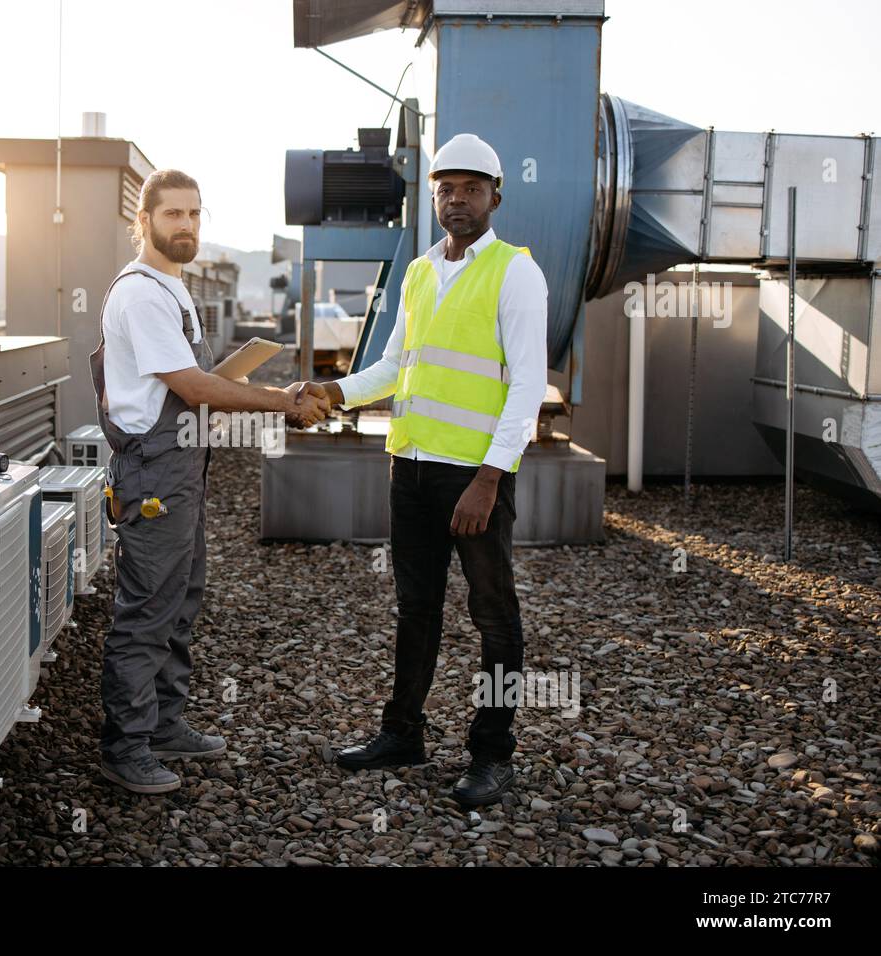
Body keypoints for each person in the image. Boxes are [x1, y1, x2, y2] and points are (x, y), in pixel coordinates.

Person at [302, 134, 548, 808]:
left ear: (495, 195)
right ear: (433, 195)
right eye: (447, 187)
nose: (458, 198)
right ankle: (402, 734)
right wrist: (333, 394)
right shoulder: (416, 272)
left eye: (472, 187)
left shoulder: (515, 272)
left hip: (472, 479)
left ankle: (493, 755)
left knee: (495, 619)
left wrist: (490, 478)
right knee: (417, 609)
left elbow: (528, 387)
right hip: (409, 471)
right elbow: (392, 368)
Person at [90, 168, 329, 794]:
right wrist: (282, 400)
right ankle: (126, 745)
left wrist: (236, 387)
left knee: (181, 597)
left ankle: (165, 723)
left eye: (195, 214)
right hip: (154, 472)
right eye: (173, 215)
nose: (187, 225)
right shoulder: (141, 293)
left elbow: (192, 384)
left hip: (181, 468)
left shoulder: (172, 287)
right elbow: (193, 387)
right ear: (142, 223)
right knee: (146, 609)